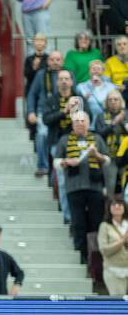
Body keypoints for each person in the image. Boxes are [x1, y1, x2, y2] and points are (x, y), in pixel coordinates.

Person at [55, 111, 111, 264]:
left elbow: (107, 160)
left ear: (88, 122)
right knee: (78, 223)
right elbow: (56, 162)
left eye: (83, 121)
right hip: (74, 187)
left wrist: (97, 155)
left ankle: (97, 258)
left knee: (96, 222)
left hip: (95, 187)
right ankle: (81, 257)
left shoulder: (97, 139)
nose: (80, 123)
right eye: (77, 121)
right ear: (72, 124)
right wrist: (66, 161)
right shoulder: (65, 140)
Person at [97, 197, 128, 296]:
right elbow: (104, 250)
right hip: (114, 271)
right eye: (114, 204)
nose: (117, 206)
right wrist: (122, 241)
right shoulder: (104, 226)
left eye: (120, 204)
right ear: (109, 209)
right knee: (119, 304)